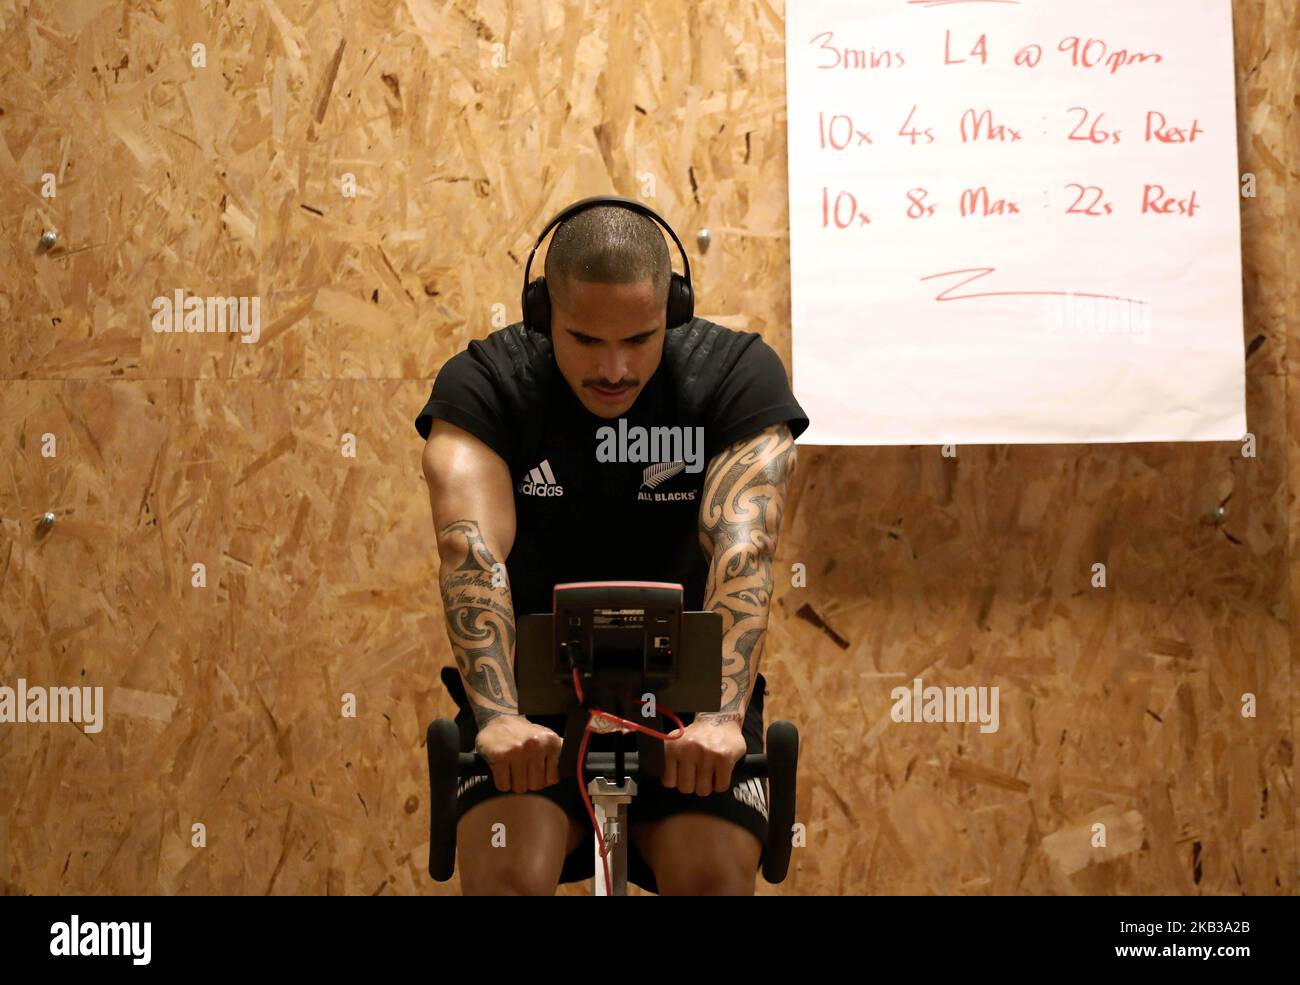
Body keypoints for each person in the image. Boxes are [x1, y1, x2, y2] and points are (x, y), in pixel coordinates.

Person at [416, 198, 809, 894]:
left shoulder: (735, 376)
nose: (616, 367)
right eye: (585, 339)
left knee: (712, 875)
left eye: (640, 337)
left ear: (674, 310)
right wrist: (499, 718)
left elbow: (745, 547)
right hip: (533, 717)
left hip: (690, 719)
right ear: (544, 315)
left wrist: (722, 719)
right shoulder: (487, 384)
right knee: (509, 872)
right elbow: (468, 550)